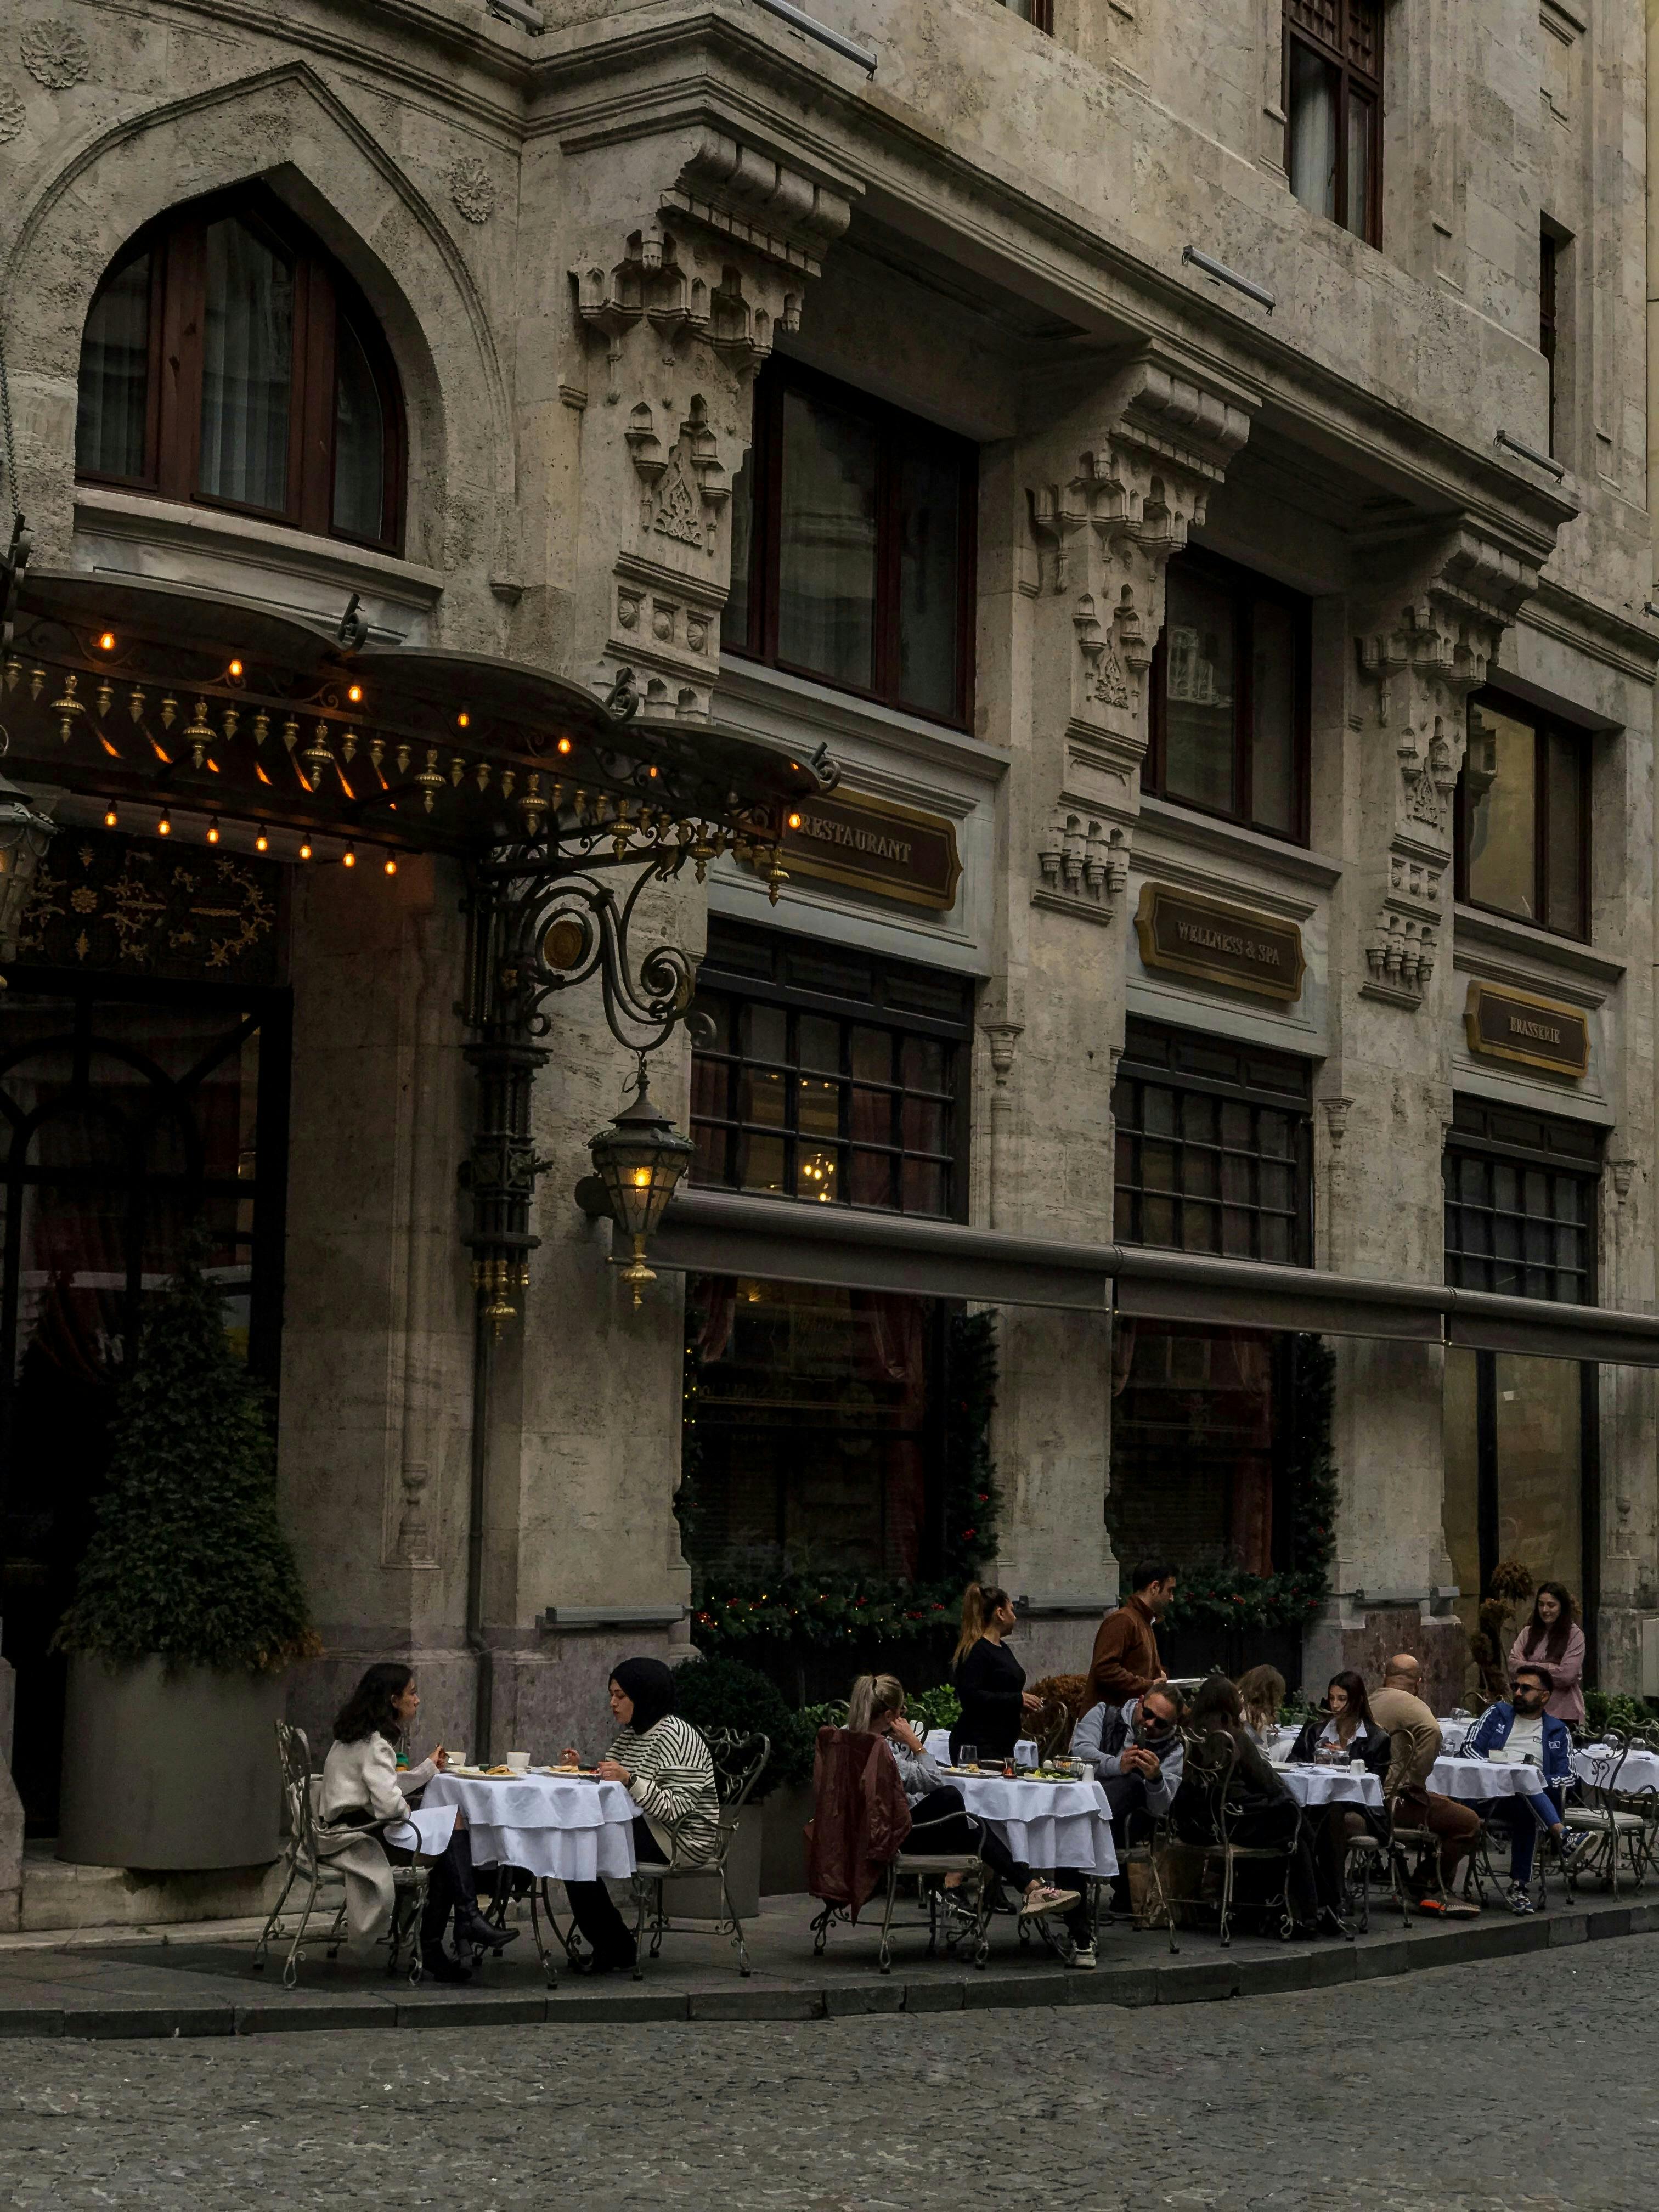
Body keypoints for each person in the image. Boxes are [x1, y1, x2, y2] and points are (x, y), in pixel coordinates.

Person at [321, 1661, 516, 1985]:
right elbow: (388, 1805)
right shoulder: (376, 1745)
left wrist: (426, 1771)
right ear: (393, 1700)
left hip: (349, 1830)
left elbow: (382, 1788)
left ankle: (451, 1933)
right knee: (449, 1837)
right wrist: (411, 1816)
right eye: (412, 1693)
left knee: (446, 1842)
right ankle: (456, 1928)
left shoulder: (354, 1737)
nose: (418, 1700)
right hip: (362, 1840)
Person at [845, 1673, 1077, 1926]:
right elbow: (932, 1780)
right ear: (890, 1717)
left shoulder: (846, 1739)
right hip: (892, 1836)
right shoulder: (880, 1750)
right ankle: (1018, 1888)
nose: (905, 1715)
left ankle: (1030, 1889)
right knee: (952, 1799)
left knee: (972, 1829)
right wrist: (915, 1744)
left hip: (862, 1830)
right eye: (902, 1710)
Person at [561, 1657, 721, 1974]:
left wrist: (630, 1780)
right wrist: (582, 1769)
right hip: (647, 1826)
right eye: (612, 1694)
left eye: (621, 1695)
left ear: (643, 1694)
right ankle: (614, 1943)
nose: (613, 1703)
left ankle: (615, 1946)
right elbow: (610, 1780)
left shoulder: (678, 1736)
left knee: (577, 1844)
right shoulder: (633, 1734)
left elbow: (677, 1808)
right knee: (572, 1842)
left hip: (681, 1838)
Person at [1172, 1674, 1324, 1932]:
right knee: (1294, 1822)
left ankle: (1289, 1907)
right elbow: (1266, 1781)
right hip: (1233, 1821)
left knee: (1291, 1821)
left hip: (1197, 1823)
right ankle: (1310, 1911)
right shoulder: (1232, 1737)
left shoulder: (1190, 1734)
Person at [1468, 1663, 1586, 1912]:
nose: (1518, 1693)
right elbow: (1468, 1749)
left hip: (1524, 1802)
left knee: (1526, 1793)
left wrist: (1538, 1779)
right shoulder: (1497, 1714)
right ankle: (1563, 1837)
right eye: (1516, 1687)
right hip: (1489, 1795)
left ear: (1545, 1696)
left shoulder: (1557, 1730)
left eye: (1526, 1688)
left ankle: (1519, 1887)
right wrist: (1495, 1770)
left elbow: (1569, 1777)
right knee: (1524, 1783)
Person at [1369, 1651, 1480, 1907]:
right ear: (1419, 1682)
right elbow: (1432, 1732)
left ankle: (1427, 1881)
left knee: (1444, 1804)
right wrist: (1415, 1780)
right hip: (1393, 1801)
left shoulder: (1369, 1700)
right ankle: (1428, 1881)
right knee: (1468, 1822)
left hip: (1365, 1795)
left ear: (1386, 1677)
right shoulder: (1413, 1705)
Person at [1289, 1672, 1390, 1911]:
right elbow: (1294, 1762)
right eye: (1332, 1698)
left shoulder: (1376, 1738)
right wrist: (1318, 1758)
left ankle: (1330, 1894)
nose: (1335, 1705)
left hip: (1362, 1810)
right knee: (1321, 1815)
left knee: (1335, 1815)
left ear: (1356, 1700)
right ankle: (1329, 1892)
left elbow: (1374, 1783)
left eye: (1342, 1699)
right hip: (1315, 1803)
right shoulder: (1315, 1730)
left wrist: (1345, 1760)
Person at [949, 1583, 1043, 1762]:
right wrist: (1017, 1699)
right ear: (1000, 1614)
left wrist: (1020, 1705)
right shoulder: (977, 1651)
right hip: (979, 1744)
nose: (1015, 1617)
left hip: (1002, 1742)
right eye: (1011, 1611)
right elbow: (971, 1696)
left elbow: (1001, 1690)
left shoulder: (1003, 1648)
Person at [1088, 1561, 1176, 1708]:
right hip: (1108, 1724)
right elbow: (1105, 1669)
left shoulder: (1144, 1622)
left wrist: (1158, 1675)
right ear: (1154, 1587)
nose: (1172, 1598)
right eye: (1170, 1590)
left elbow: (1139, 1666)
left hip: (1125, 1720)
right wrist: (1148, 1685)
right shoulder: (1123, 1621)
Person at [1509, 1583, 1586, 1727]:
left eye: (1551, 1605)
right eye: (1541, 1605)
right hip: (1528, 1711)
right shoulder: (1527, 1633)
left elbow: (1567, 1676)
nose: (1545, 1610)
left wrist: (1528, 1668)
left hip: (1563, 1715)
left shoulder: (1575, 1636)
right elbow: (1513, 1667)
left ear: (1562, 1607)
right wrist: (1551, 1667)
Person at [1237, 1665, 1286, 1750]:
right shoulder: (1255, 1714)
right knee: (1289, 1744)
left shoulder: (1240, 1699)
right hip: (1255, 1758)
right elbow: (1262, 1755)